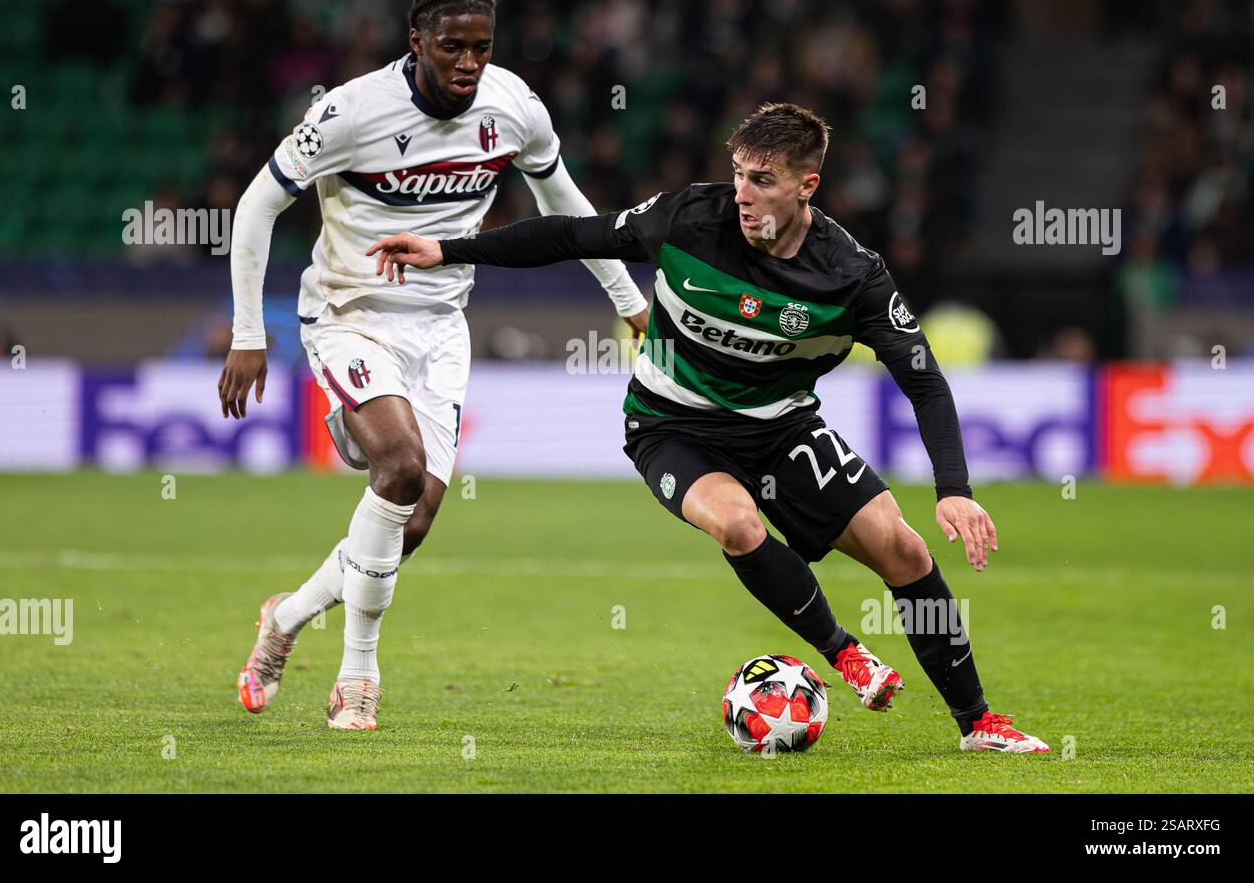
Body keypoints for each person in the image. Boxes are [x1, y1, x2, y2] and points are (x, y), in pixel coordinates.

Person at [366, 102, 1049, 753]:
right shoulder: (689, 218)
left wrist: (953, 487)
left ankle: (979, 720)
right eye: (739, 174)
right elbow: (574, 235)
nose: (743, 193)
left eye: (763, 179)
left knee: (903, 552)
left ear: (807, 185)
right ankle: (846, 653)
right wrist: (449, 249)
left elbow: (922, 378)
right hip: (671, 426)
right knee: (739, 525)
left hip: (780, 430)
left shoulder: (850, 275)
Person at [218, 0, 648, 731]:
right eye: (452, 46)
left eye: (481, 47)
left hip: (442, 327)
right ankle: (358, 678)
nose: (468, 62)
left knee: (407, 524)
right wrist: (250, 333)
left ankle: (284, 619)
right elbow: (259, 202)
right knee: (400, 466)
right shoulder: (350, 111)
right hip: (350, 314)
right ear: (415, 42)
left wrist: (629, 301)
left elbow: (568, 209)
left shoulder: (514, 107)